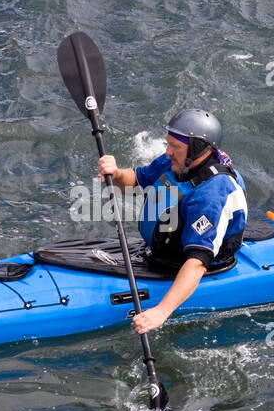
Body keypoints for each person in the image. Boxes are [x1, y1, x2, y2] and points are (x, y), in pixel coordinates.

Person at [97, 108, 247, 335]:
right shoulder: (178, 161)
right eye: (168, 144)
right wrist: (116, 174)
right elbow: (137, 180)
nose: (167, 151)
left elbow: (197, 262)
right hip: (162, 252)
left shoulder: (211, 194)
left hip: (196, 263)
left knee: (197, 253)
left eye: (174, 147)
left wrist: (161, 311)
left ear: (197, 148)